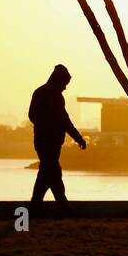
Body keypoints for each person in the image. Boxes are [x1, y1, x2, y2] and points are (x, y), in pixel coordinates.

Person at [27, 64, 86, 213]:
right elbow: (63, 120)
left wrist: (78, 138)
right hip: (47, 142)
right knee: (51, 171)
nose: (65, 88)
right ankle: (60, 206)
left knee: (48, 173)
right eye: (65, 84)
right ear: (59, 81)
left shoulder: (41, 93)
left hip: (47, 142)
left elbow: (34, 116)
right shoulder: (51, 96)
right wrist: (78, 138)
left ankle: (38, 206)